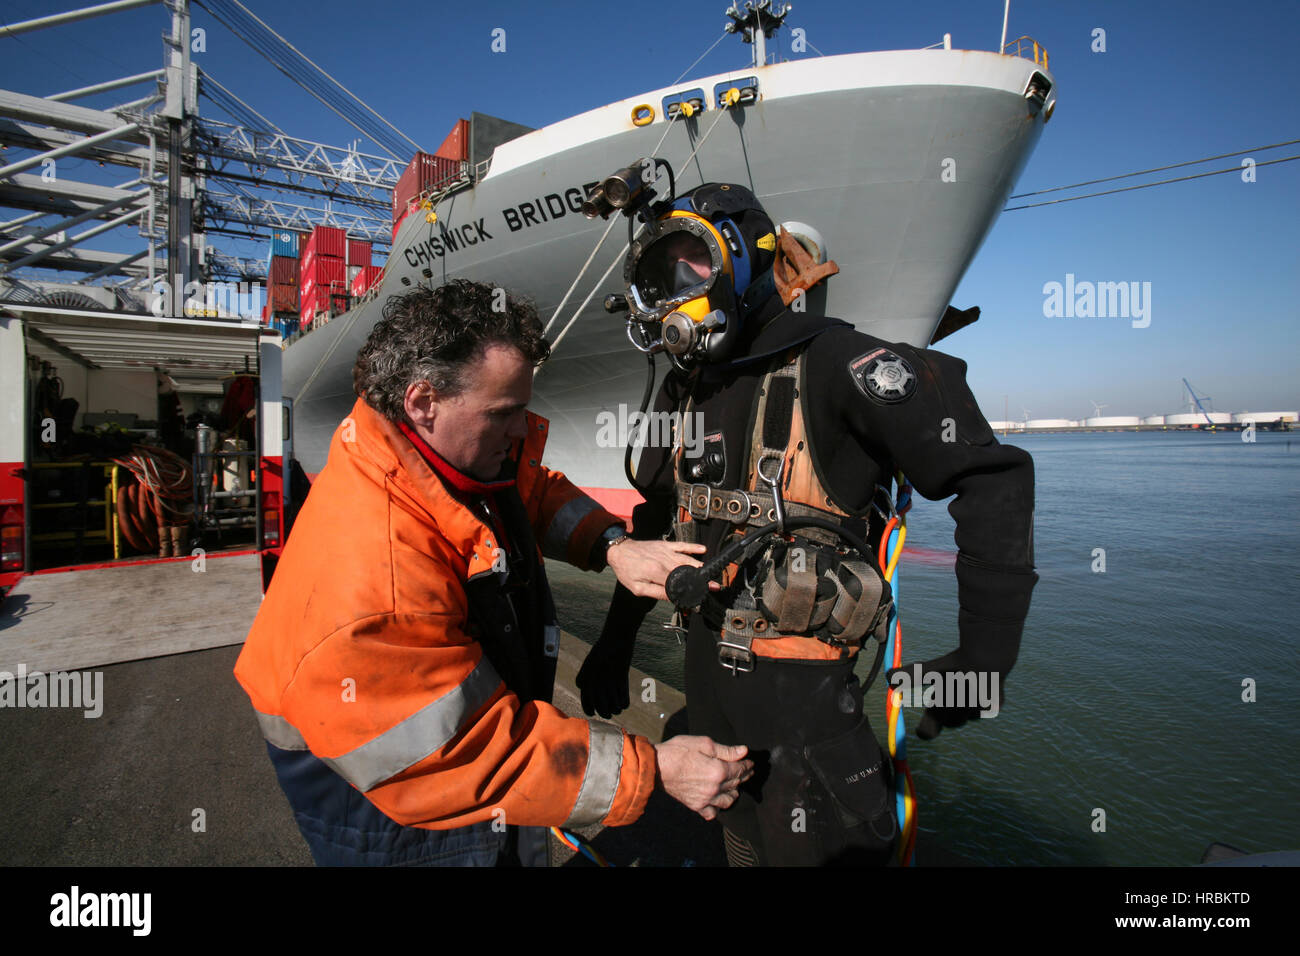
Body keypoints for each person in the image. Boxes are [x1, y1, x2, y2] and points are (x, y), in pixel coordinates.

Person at [575, 180, 1037, 866]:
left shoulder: (836, 364)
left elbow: (993, 476)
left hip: (809, 732)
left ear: (744, 261)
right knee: (739, 846)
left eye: (691, 264)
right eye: (658, 274)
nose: (675, 288)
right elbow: (658, 523)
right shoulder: (688, 388)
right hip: (714, 715)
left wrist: (980, 666)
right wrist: (615, 643)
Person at [234, 279, 753, 866]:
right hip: (390, 803)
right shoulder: (377, 575)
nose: (519, 432)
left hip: (451, 758)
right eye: (505, 414)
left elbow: (530, 494)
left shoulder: (433, 458)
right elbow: (461, 756)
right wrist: (654, 769)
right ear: (423, 401)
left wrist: (611, 546)